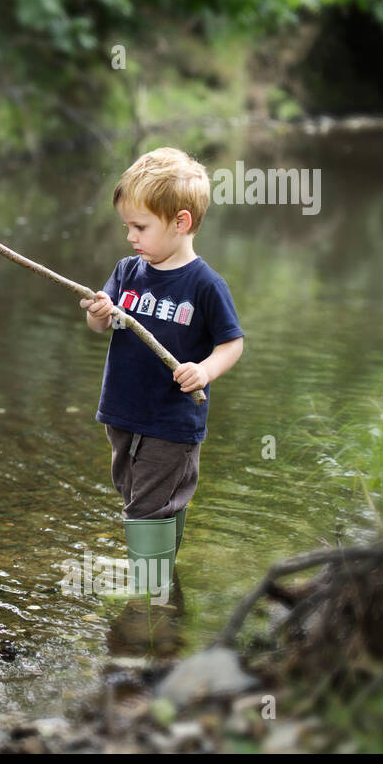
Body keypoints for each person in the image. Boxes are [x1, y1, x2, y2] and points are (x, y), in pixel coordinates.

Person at [80, 147, 244, 596]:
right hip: (123, 413)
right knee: (140, 495)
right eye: (127, 227)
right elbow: (100, 325)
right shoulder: (127, 271)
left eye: (140, 227)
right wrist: (98, 310)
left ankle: (147, 607)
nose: (130, 237)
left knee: (145, 508)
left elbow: (232, 344)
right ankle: (165, 587)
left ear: (181, 222)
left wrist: (204, 370)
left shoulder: (204, 284)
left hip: (170, 423)